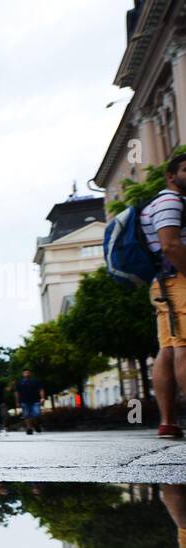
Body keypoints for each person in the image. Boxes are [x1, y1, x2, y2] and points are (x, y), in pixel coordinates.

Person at [143, 151, 186, 438]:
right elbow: (170, 245)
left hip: (165, 282)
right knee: (183, 346)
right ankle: (168, 421)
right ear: (171, 175)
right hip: (177, 280)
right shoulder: (170, 201)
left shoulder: (168, 201)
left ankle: (168, 422)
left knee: (170, 348)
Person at [15, 368, 45, 435]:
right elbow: (17, 393)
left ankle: (36, 425)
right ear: (22, 374)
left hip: (35, 400)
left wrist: (42, 398)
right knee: (26, 415)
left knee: (36, 414)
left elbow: (41, 390)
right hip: (24, 401)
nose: (27, 374)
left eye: (28, 372)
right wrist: (17, 402)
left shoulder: (36, 381)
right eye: (25, 373)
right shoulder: (19, 382)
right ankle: (29, 428)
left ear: (30, 373)